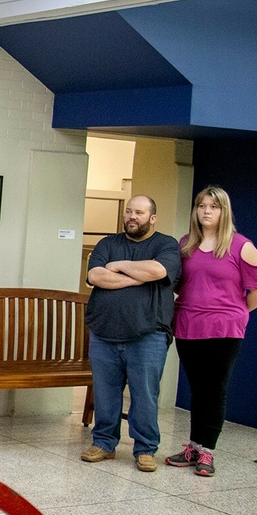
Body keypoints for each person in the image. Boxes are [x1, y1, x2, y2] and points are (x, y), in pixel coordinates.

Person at [165, 186, 257, 477]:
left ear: (225, 212)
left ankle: (207, 452)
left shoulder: (241, 246)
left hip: (224, 329)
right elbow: (180, 284)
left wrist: (235, 313)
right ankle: (193, 447)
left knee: (215, 389)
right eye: (201, 205)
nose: (206, 211)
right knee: (197, 389)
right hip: (188, 325)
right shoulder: (186, 245)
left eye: (214, 206)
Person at [81, 194, 181, 473]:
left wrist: (118, 266)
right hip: (104, 332)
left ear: (152, 218)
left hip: (148, 334)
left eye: (139, 212)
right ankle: (103, 443)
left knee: (145, 394)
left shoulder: (166, 244)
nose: (132, 217)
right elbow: (95, 276)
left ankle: (146, 448)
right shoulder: (107, 243)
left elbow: (159, 270)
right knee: (105, 392)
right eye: (128, 211)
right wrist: (139, 277)